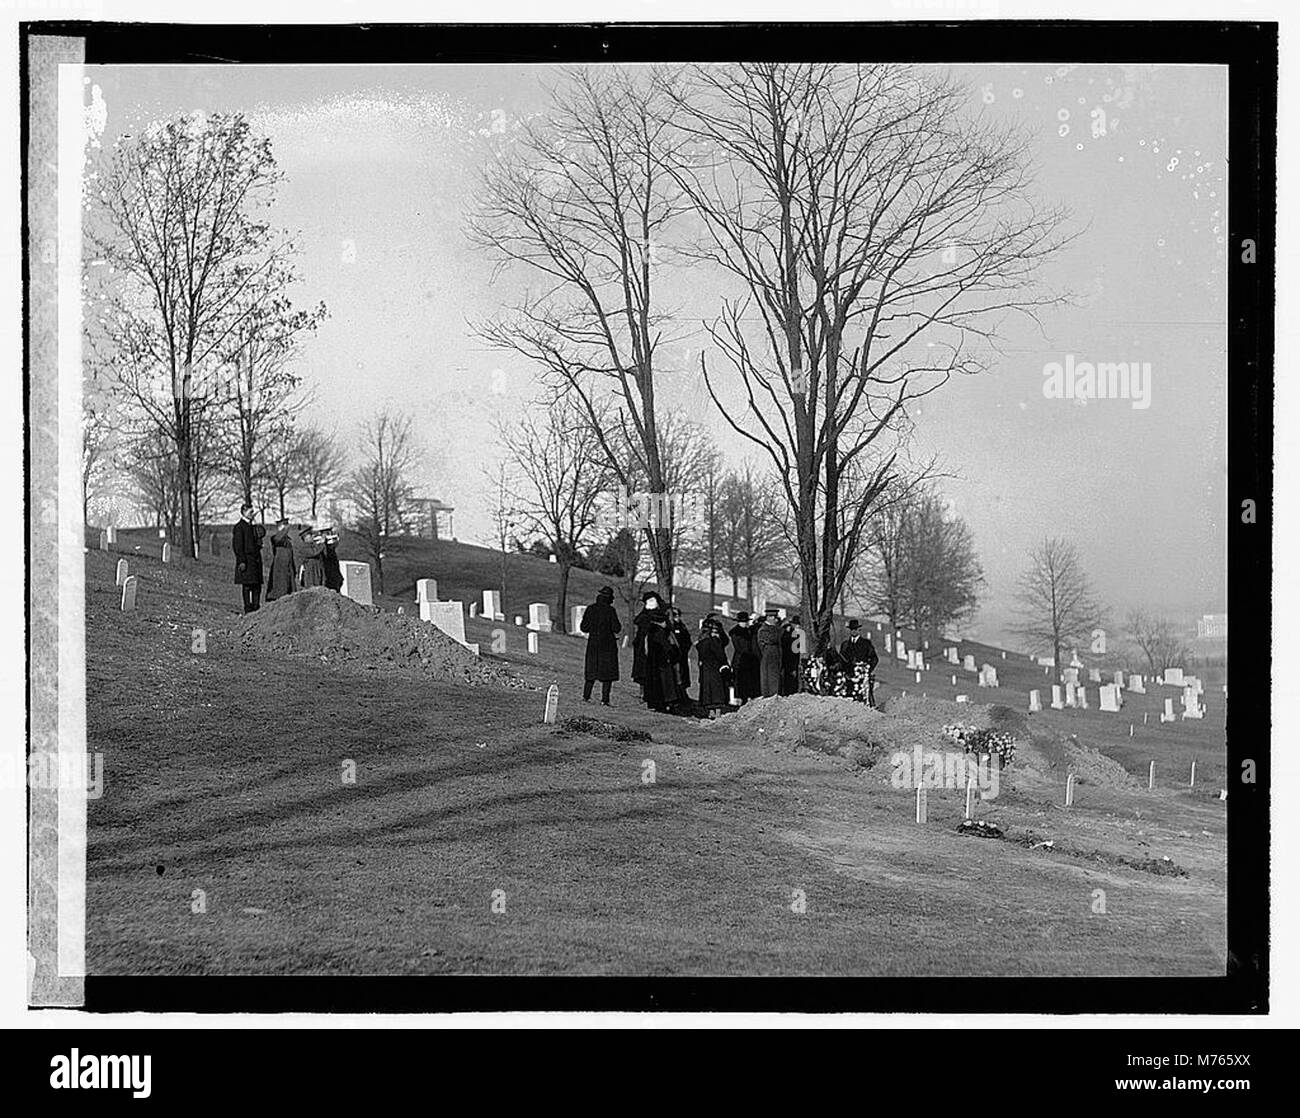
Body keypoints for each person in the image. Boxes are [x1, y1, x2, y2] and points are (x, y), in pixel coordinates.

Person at [580, 585, 622, 705]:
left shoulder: (591, 609)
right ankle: (605, 700)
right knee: (607, 674)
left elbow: (584, 627)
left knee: (591, 671)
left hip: (593, 643)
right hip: (608, 645)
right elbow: (617, 628)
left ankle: (586, 696)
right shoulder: (611, 611)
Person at [644, 612, 687, 714]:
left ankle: (658, 705)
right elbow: (666, 646)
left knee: (657, 685)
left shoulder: (651, 632)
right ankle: (667, 705)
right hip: (663, 662)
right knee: (666, 686)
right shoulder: (660, 632)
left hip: (654, 662)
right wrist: (674, 654)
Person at [231, 504, 265, 613]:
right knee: (247, 586)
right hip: (246, 561)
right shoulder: (239, 527)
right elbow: (237, 546)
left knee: (256, 586)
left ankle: (256, 608)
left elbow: (259, 537)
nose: (252, 514)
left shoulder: (253, 526)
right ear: (244, 512)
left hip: (255, 561)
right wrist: (241, 561)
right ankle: (248, 609)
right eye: (250, 512)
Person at [631, 590, 664, 701]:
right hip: (642, 646)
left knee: (648, 671)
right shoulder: (645, 614)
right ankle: (642, 693)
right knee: (642, 672)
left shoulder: (657, 615)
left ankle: (647, 694)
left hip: (653, 646)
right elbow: (638, 622)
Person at [839, 619, 880, 706]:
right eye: (851, 629)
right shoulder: (845, 645)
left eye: (855, 629)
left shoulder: (866, 644)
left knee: (865, 697)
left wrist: (867, 670)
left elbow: (874, 659)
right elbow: (841, 660)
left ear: (859, 630)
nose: (853, 631)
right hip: (848, 677)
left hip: (862, 676)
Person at [696, 616, 732, 715]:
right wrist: (725, 664)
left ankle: (711, 714)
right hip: (716, 669)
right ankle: (717, 714)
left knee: (709, 694)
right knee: (717, 694)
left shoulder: (701, 641)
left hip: (705, 669)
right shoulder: (714, 642)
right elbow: (721, 654)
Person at [729, 611, 761, 704]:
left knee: (750, 682)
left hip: (750, 660)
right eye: (742, 622)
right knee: (742, 683)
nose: (744, 623)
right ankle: (743, 700)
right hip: (741, 660)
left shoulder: (749, 631)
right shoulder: (736, 632)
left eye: (745, 621)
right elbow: (741, 647)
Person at [265, 518, 297, 602]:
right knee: (280, 588)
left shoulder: (288, 540)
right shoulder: (275, 538)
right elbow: (278, 538)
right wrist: (284, 530)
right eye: (285, 525)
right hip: (279, 568)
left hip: (288, 568)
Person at [757, 607, 784, 698]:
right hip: (769, 656)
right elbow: (773, 639)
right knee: (771, 678)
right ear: (769, 617)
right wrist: (779, 629)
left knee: (776, 676)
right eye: (774, 618)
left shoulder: (774, 628)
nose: (776, 620)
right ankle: (771, 695)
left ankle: (775, 694)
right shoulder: (764, 629)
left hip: (775, 656)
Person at [668, 607, 693, 692]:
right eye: (675, 615)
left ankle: (683, 691)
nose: (677, 617)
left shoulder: (682, 626)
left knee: (683, 674)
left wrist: (686, 648)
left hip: (683, 654)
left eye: (678, 615)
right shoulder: (671, 626)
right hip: (675, 654)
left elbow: (688, 639)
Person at [780, 614, 802, 696]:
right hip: (790, 662)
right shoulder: (791, 636)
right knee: (790, 681)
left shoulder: (791, 635)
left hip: (790, 661)